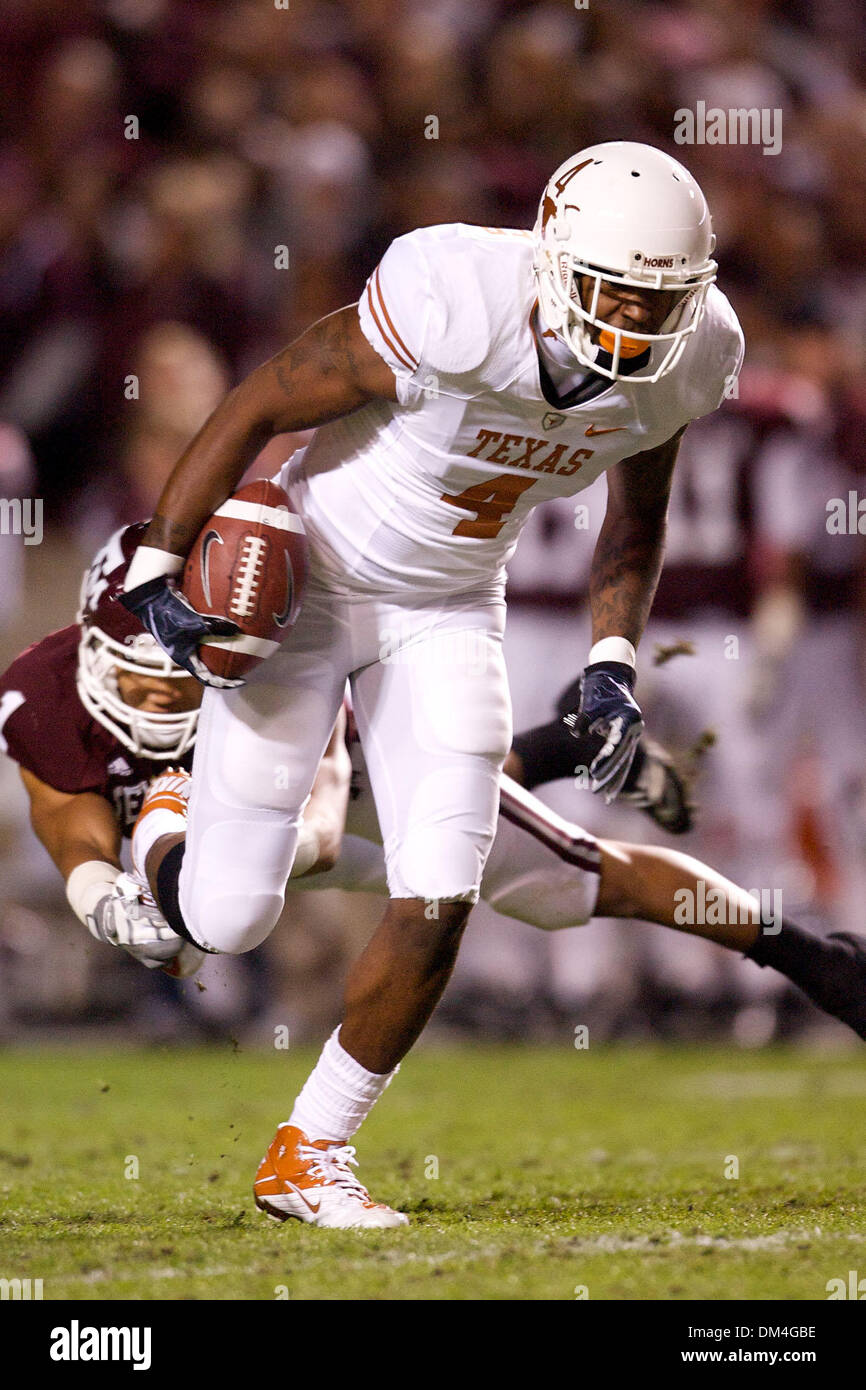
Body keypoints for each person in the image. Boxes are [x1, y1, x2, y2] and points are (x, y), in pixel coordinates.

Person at [119, 141, 747, 1216]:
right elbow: (262, 400)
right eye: (613, 292)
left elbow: (632, 522)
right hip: (310, 584)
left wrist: (610, 662)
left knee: (444, 883)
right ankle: (162, 807)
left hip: (450, 605)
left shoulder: (690, 360)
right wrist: (156, 567)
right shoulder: (458, 295)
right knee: (224, 920)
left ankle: (308, 1152)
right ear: (552, 255)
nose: (634, 326)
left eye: (659, 302)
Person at [132, 701, 866, 1228]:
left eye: (158, 674)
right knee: (493, 832)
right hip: (262, 812)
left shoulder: (268, 668)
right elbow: (84, 835)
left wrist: (219, 890)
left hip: (340, 792)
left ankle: (826, 966)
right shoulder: (71, 732)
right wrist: (124, 900)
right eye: (131, 684)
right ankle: (559, 743)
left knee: (580, 874)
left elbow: (324, 820)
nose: (151, 692)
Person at [0, 524, 203, 974]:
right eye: (138, 669)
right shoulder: (44, 692)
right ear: (95, 650)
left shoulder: (263, 680)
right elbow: (70, 821)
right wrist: (103, 897)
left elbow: (316, 832)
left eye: (179, 669)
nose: (162, 690)